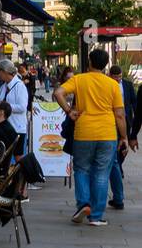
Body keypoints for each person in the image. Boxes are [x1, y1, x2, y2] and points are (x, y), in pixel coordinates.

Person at [54, 49, 126, 226]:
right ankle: (96, 216)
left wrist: (69, 111)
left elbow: (58, 93)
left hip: (84, 132)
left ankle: (83, 204)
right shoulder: (113, 85)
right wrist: (123, 137)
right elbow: (119, 115)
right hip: (107, 134)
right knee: (102, 173)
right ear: (106, 64)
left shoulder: (79, 79)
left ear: (89, 61)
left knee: (81, 169)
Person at [108, 64, 137, 210]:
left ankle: (119, 163)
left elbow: (134, 102)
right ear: (110, 75)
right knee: (115, 161)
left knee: (119, 154)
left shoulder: (128, 85)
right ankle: (118, 166)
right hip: (111, 122)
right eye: (116, 77)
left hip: (125, 121)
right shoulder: (107, 85)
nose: (118, 80)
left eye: (120, 77)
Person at [0, 58, 28, 155]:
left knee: (18, 156)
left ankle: (21, 171)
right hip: (3, 127)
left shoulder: (20, 86)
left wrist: (4, 106)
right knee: (3, 156)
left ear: (5, 71)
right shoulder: (3, 87)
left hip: (16, 127)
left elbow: (22, 107)